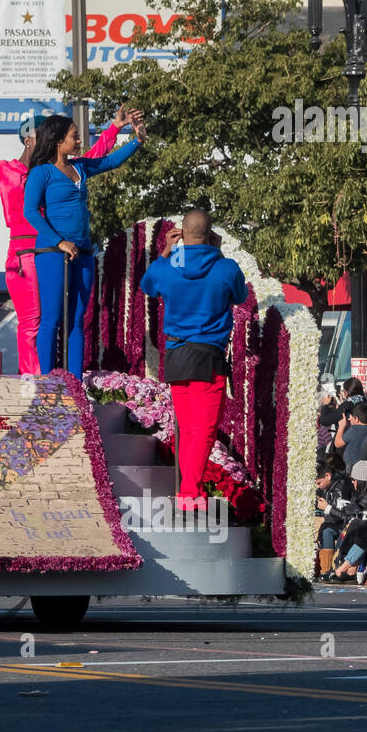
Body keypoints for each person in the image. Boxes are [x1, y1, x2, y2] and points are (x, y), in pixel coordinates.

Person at [0, 107, 140, 375]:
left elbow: (96, 160)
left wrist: (114, 128)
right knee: (35, 320)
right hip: (25, 251)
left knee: (68, 319)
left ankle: (62, 380)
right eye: (41, 134)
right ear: (29, 139)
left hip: (59, 248)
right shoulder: (6, 170)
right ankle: (36, 381)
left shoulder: (59, 168)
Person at [139, 208, 248, 508]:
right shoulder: (226, 268)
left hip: (176, 356)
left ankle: (188, 490)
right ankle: (189, 492)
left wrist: (165, 252)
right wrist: (217, 252)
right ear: (212, 235)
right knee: (204, 431)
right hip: (208, 357)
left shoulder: (170, 263)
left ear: (182, 234)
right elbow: (240, 296)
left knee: (187, 430)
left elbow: (147, 285)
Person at [26, 114, 144, 378]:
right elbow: (31, 212)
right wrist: (60, 241)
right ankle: (47, 382)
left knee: (77, 320)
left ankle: (75, 383)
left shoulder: (80, 166)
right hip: (52, 252)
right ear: (57, 141)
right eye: (74, 136)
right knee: (52, 319)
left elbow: (110, 160)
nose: (79, 141)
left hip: (84, 251)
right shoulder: (41, 173)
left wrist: (137, 140)